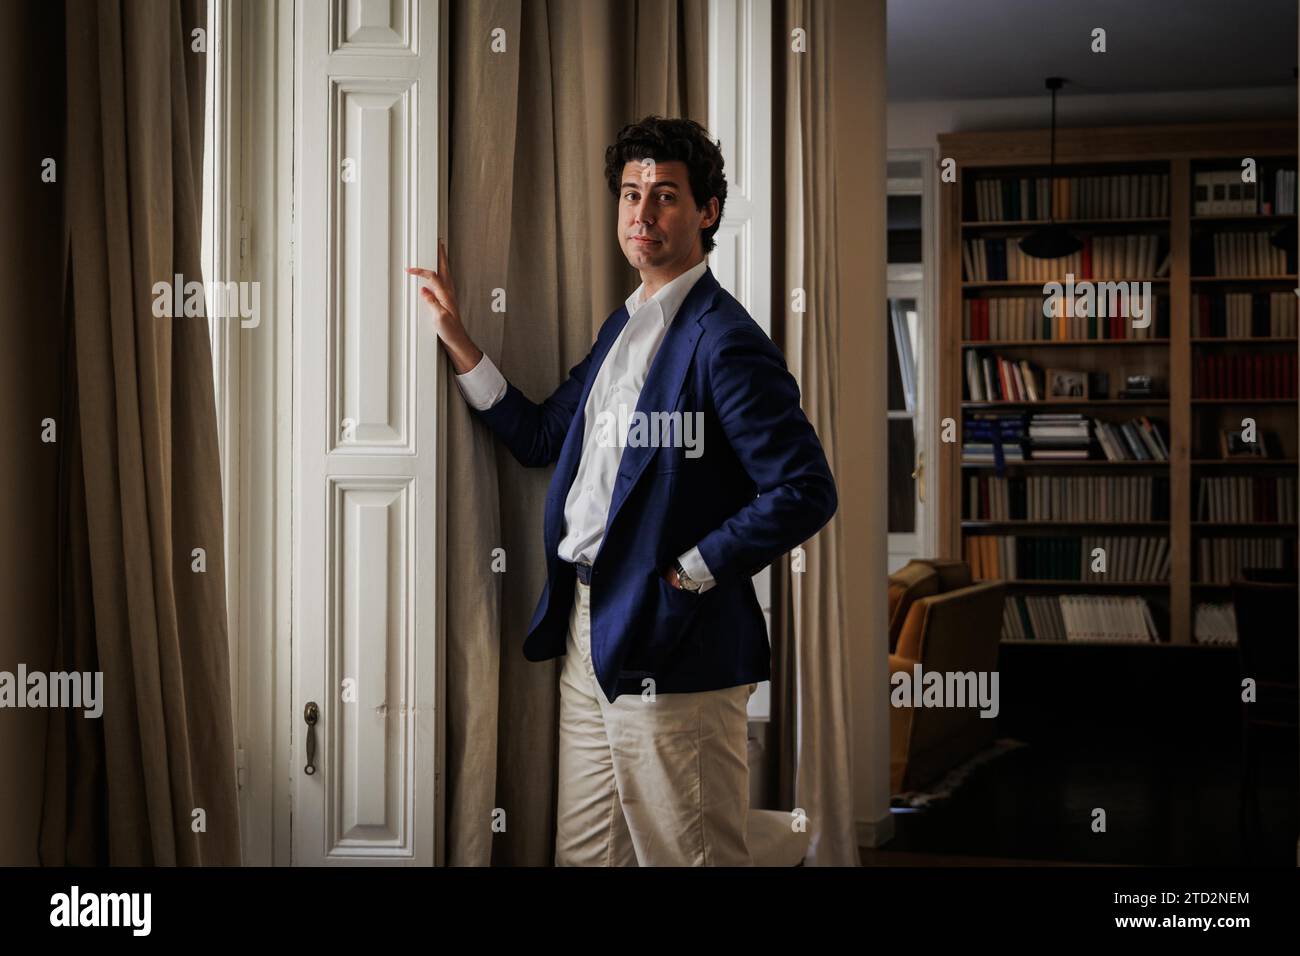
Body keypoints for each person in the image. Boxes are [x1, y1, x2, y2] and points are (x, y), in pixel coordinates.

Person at [408, 116, 837, 866]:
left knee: (692, 857)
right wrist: (458, 338)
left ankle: (793, 845)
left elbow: (805, 488)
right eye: (631, 194)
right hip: (586, 628)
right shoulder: (623, 327)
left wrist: (689, 571)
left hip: (677, 639)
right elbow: (543, 436)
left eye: (665, 196)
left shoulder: (724, 338)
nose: (642, 214)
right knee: (588, 855)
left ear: (706, 211)